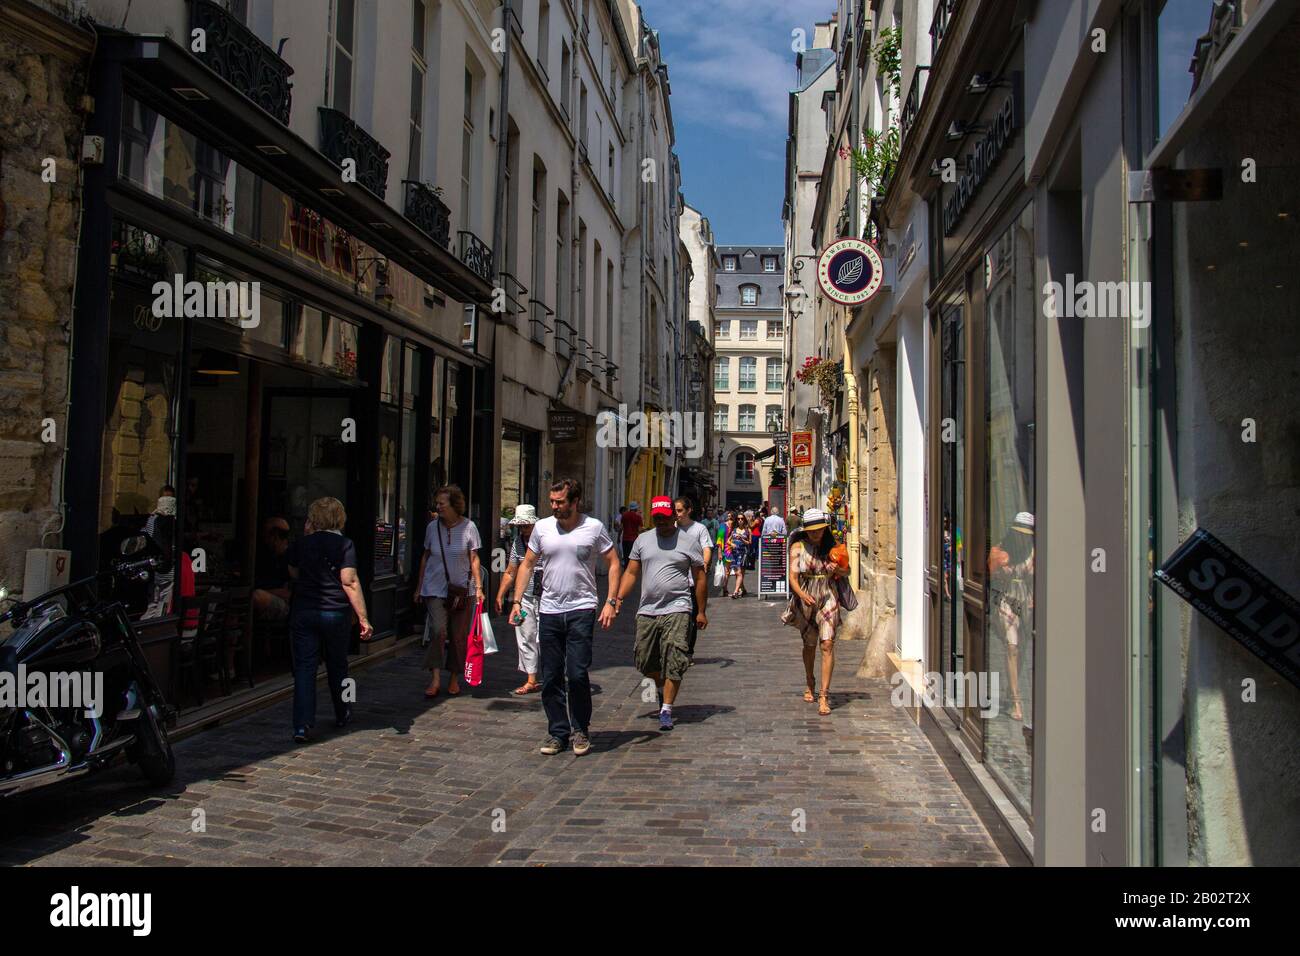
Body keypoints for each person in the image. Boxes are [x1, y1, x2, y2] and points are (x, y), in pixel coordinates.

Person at [509, 478, 621, 756]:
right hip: (548, 610)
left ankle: (580, 729)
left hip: (582, 609)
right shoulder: (543, 528)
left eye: (560, 502)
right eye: (553, 501)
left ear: (575, 502)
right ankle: (557, 732)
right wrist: (516, 600)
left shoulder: (593, 528)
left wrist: (611, 601)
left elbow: (614, 562)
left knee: (578, 673)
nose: (554, 506)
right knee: (551, 675)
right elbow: (527, 564)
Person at [286, 497, 373, 743]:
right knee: (338, 665)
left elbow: (293, 571)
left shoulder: (302, 544)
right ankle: (344, 710)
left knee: (304, 669)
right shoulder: (345, 544)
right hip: (336, 613)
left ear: (313, 519)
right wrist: (363, 618)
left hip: (304, 611)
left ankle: (302, 724)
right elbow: (350, 581)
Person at [617, 496, 706, 731]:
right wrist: (617, 598)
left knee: (675, 658)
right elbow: (631, 573)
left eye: (665, 519)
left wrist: (701, 611)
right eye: (657, 519)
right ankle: (659, 688)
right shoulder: (642, 540)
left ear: (673, 517)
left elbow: (699, 578)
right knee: (644, 660)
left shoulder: (688, 542)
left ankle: (666, 709)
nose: (662, 523)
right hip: (647, 609)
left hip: (679, 606)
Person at [414, 485, 483, 699]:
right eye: (437, 503)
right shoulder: (432, 528)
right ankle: (434, 678)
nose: (438, 507)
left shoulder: (469, 527)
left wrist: (479, 588)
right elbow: (425, 556)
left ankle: (453, 677)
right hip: (434, 588)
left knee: (458, 636)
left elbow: (474, 558)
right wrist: (419, 587)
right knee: (438, 630)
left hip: (462, 590)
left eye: (442, 503)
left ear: (454, 505)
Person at [787, 508, 845, 716]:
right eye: (811, 531)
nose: (815, 534)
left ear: (824, 529)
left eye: (819, 530)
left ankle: (824, 695)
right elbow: (793, 577)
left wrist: (836, 569)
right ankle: (810, 680)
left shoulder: (833, 547)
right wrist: (802, 595)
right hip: (807, 596)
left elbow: (846, 571)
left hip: (828, 595)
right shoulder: (797, 548)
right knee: (809, 644)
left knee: (827, 644)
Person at [988, 512, 1034, 721]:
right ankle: (1017, 701)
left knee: (1021, 648)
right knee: (1012, 647)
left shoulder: (1033, 553)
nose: (1023, 538)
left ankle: (1010, 689)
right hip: (1006, 599)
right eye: (1020, 534)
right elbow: (992, 575)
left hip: (1027, 601)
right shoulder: (999, 551)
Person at [495, 504, 542, 696]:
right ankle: (531, 679)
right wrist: (500, 594)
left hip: (548, 597)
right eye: (520, 526)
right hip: (525, 597)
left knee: (545, 638)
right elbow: (510, 571)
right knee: (525, 636)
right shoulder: (517, 543)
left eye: (526, 526)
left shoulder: (545, 540)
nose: (523, 530)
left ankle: (552, 674)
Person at [673, 495, 713, 664]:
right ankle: (675, 648)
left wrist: (704, 564)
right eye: (675, 510)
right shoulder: (671, 527)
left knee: (691, 617)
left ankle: (688, 651)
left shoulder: (699, 529)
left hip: (693, 580)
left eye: (680, 510)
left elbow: (707, 548)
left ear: (689, 510)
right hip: (675, 580)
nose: (677, 514)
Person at [253, 516, 293, 624]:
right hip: (273, 599)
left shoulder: (292, 558)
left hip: (289, 608)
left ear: (274, 536)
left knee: (256, 597)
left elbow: (289, 594)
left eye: (265, 534)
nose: (263, 538)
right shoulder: (267, 556)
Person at [727, 512, 752, 599]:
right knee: (739, 574)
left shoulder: (747, 530)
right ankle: (743, 589)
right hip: (734, 553)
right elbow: (728, 540)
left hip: (743, 553)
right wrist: (731, 544)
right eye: (738, 519)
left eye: (742, 519)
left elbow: (749, 543)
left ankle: (735, 591)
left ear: (744, 520)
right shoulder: (734, 529)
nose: (740, 520)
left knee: (739, 573)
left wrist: (741, 538)